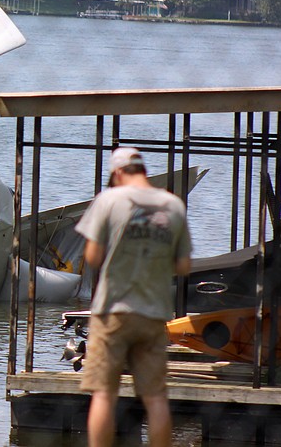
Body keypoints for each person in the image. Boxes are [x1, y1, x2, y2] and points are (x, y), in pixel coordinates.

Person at [74, 147, 192, 447]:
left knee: (104, 394)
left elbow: (92, 256)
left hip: (112, 310)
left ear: (117, 173)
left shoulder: (109, 200)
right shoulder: (172, 205)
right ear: (143, 169)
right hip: (153, 314)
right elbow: (183, 266)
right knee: (155, 397)